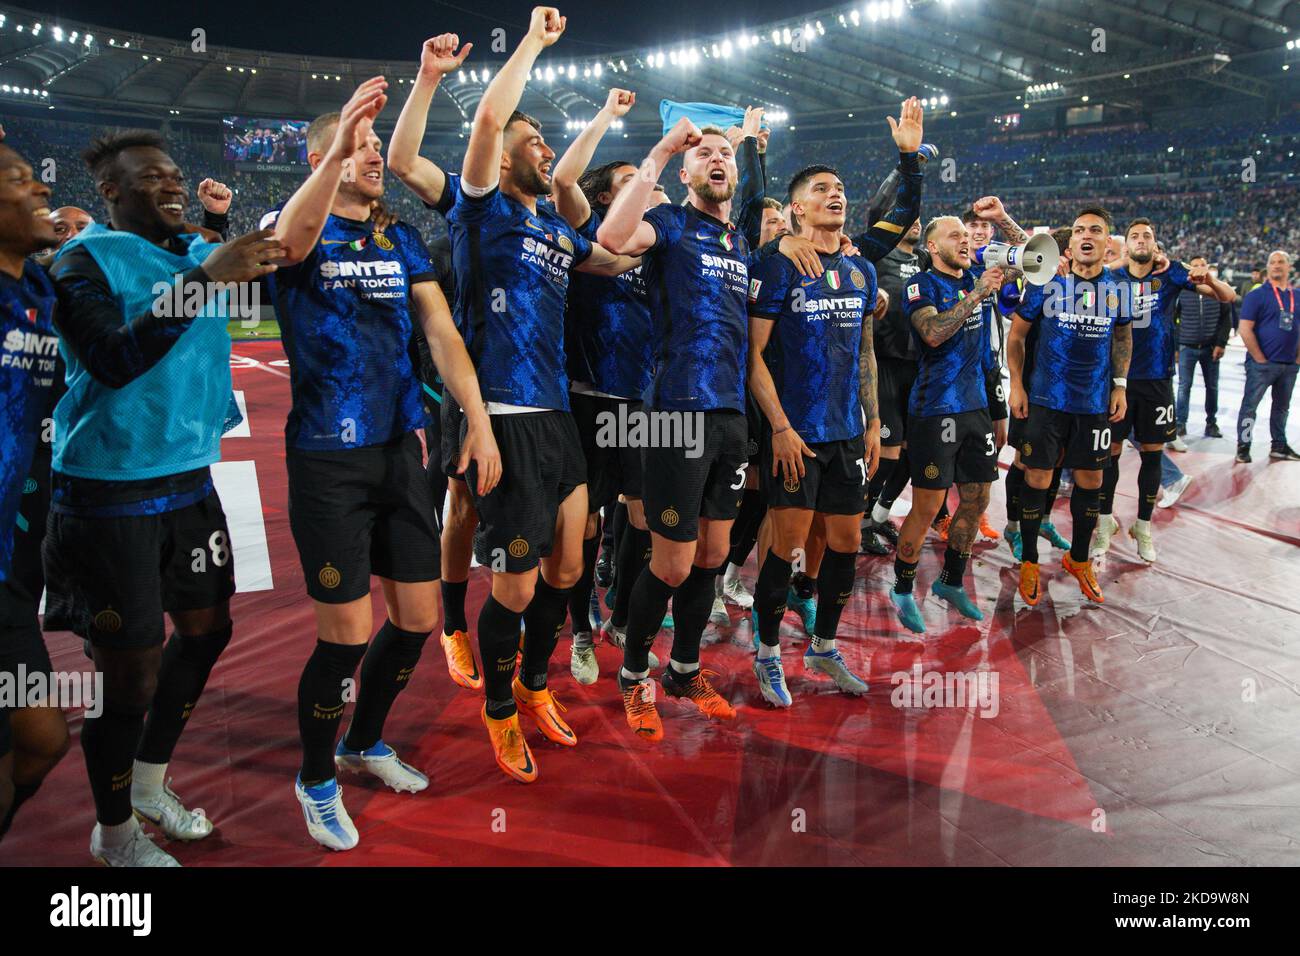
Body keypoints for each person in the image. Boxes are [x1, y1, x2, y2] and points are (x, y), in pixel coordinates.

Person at [266, 77, 500, 850]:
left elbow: (441, 335)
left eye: (374, 147)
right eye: (361, 146)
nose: (375, 156)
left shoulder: (400, 240)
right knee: (342, 635)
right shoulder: (290, 226)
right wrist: (338, 147)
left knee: (420, 619)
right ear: (322, 158)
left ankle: (362, 742)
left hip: (403, 451)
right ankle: (315, 777)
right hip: (327, 458)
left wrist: (478, 419)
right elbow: (289, 246)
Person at [48, 131, 282, 865]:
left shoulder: (193, 254)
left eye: (177, 174)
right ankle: (112, 832)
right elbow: (113, 358)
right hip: (108, 493)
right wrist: (209, 272)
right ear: (110, 193)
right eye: (152, 178)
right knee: (131, 675)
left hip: (190, 480)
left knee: (208, 633)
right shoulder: (81, 260)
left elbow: (276, 255)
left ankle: (147, 784)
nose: (173, 184)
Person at [452, 7, 638, 782]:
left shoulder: (557, 233)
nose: (542, 149)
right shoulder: (482, 209)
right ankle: (499, 707)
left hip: (559, 416)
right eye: (531, 142)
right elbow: (493, 115)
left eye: (542, 141)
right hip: (505, 414)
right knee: (518, 581)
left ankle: (533, 685)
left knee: (566, 571)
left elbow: (617, 258)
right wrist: (534, 42)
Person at [598, 116, 753, 741]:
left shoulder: (739, 240)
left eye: (725, 153)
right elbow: (610, 235)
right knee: (670, 565)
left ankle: (685, 669)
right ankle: (635, 675)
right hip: (673, 415)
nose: (717, 159)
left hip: (730, 415)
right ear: (687, 173)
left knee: (713, 558)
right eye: (705, 154)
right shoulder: (669, 224)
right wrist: (661, 150)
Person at [746, 163, 878, 703]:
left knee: (846, 543)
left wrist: (874, 420)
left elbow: (864, 349)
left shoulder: (860, 269)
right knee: (788, 546)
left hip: (847, 430)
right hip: (796, 434)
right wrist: (778, 427)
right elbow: (751, 355)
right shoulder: (776, 266)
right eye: (822, 189)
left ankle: (823, 645)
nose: (836, 194)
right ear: (797, 207)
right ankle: (769, 653)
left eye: (841, 187)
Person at [549, 87, 661, 683]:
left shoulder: (658, 244)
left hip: (643, 405)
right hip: (587, 399)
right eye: (629, 181)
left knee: (643, 517)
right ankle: (582, 630)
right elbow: (564, 181)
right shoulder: (589, 228)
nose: (644, 188)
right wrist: (607, 118)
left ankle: (620, 613)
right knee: (585, 522)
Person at [386, 33, 482, 692]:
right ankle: (452, 625)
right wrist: (428, 79)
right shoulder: (464, 217)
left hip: (537, 394)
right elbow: (404, 160)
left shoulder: (547, 224)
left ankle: (561, 622)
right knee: (462, 503)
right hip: (456, 391)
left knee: (551, 520)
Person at [888, 205, 1010, 635]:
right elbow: (933, 333)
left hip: (975, 406)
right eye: (955, 235)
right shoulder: (921, 284)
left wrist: (1001, 219)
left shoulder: (982, 277)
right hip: (935, 410)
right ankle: (903, 587)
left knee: (977, 501)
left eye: (967, 236)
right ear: (933, 246)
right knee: (925, 508)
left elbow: (1030, 260)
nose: (965, 240)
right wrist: (976, 294)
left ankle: (951, 581)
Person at [1007, 206, 1131, 606]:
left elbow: (1124, 338)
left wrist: (1120, 385)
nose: (1086, 235)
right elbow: (1017, 336)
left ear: (1108, 243)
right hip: (1046, 399)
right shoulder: (1047, 282)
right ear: (1071, 241)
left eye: (1096, 230)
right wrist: (1016, 386)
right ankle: (1029, 558)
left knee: (1091, 481)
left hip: (1093, 403)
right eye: (1079, 230)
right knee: (1038, 478)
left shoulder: (1119, 288)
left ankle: (1079, 559)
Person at [0, 140, 69, 844]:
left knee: (44, 739)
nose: (40, 187)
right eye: (20, 181)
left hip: (17, 561)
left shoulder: (39, 290)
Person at [1094, 219, 1233, 563]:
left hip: (1156, 380)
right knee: (1108, 455)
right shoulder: (1113, 277)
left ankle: (1143, 527)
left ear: (1156, 246)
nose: (1142, 240)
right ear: (1126, 246)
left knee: (1152, 456)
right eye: (1135, 236)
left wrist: (1208, 278)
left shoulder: (1171, 275)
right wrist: (1119, 262)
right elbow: (1088, 272)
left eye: (1148, 236)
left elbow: (1228, 296)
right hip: (1116, 380)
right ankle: (1104, 522)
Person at [1236, 250, 1299, 463]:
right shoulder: (1257, 295)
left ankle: (1279, 446)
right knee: (1250, 407)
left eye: (1282, 261)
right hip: (1261, 365)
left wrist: (1298, 359)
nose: (1277, 265)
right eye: (1273, 262)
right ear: (1268, 267)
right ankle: (1243, 446)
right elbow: (1245, 329)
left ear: (1289, 267)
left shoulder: (1297, 296)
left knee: (1282, 408)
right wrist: (1259, 357)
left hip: (1289, 364)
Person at [1174, 256, 1233, 440]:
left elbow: (1226, 319)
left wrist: (1220, 343)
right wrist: (1176, 346)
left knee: (1212, 387)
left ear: (1207, 267)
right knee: (1184, 386)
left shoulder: (1216, 290)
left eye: (1202, 265)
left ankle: (1211, 423)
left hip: (1210, 347)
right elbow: (1173, 319)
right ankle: (1180, 423)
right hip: (1187, 345)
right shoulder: (1183, 290)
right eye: (1195, 266)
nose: (1199, 268)